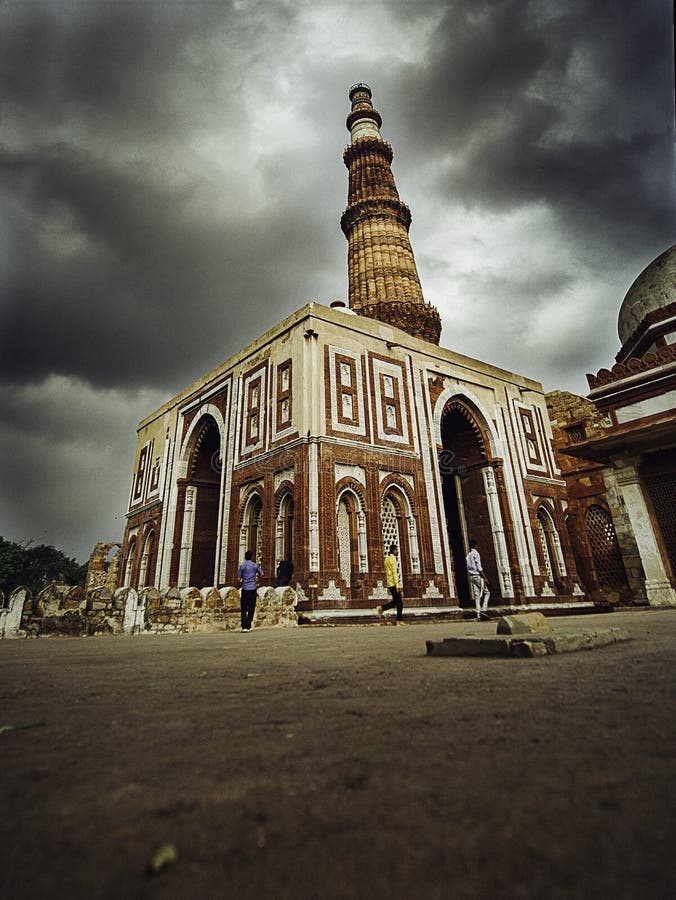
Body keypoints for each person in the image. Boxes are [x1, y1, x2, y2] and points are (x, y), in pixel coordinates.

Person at [376, 543, 406, 625]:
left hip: (389, 582)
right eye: (396, 550)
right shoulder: (393, 559)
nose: (397, 552)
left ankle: (381, 608)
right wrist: (397, 585)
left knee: (396, 602)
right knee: (399, 603)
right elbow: (394, 573)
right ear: (393, 551)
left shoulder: (387, 559)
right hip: (393, 583)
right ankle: (399, 620)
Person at [238, 550, 263, 632]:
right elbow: (262, 574)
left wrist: (243, 580)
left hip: (245, 588)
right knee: (252, 607)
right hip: (253, 588)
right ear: (251, 557)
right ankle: (249, 625)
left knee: (244, 608)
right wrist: (257, 582)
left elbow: (239, 579)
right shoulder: (255, 565)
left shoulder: (242, 566)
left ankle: (244, 626)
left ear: (245, 557)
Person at [466, 539, 490, 620]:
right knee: (487, 592)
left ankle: (478, 614)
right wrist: (485, 578)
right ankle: (484, 609)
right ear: (475, 545)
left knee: (477, 595)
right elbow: (479, 568)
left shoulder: (468, 555)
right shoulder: (476, 554)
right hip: (477, 576)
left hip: (471, 577)